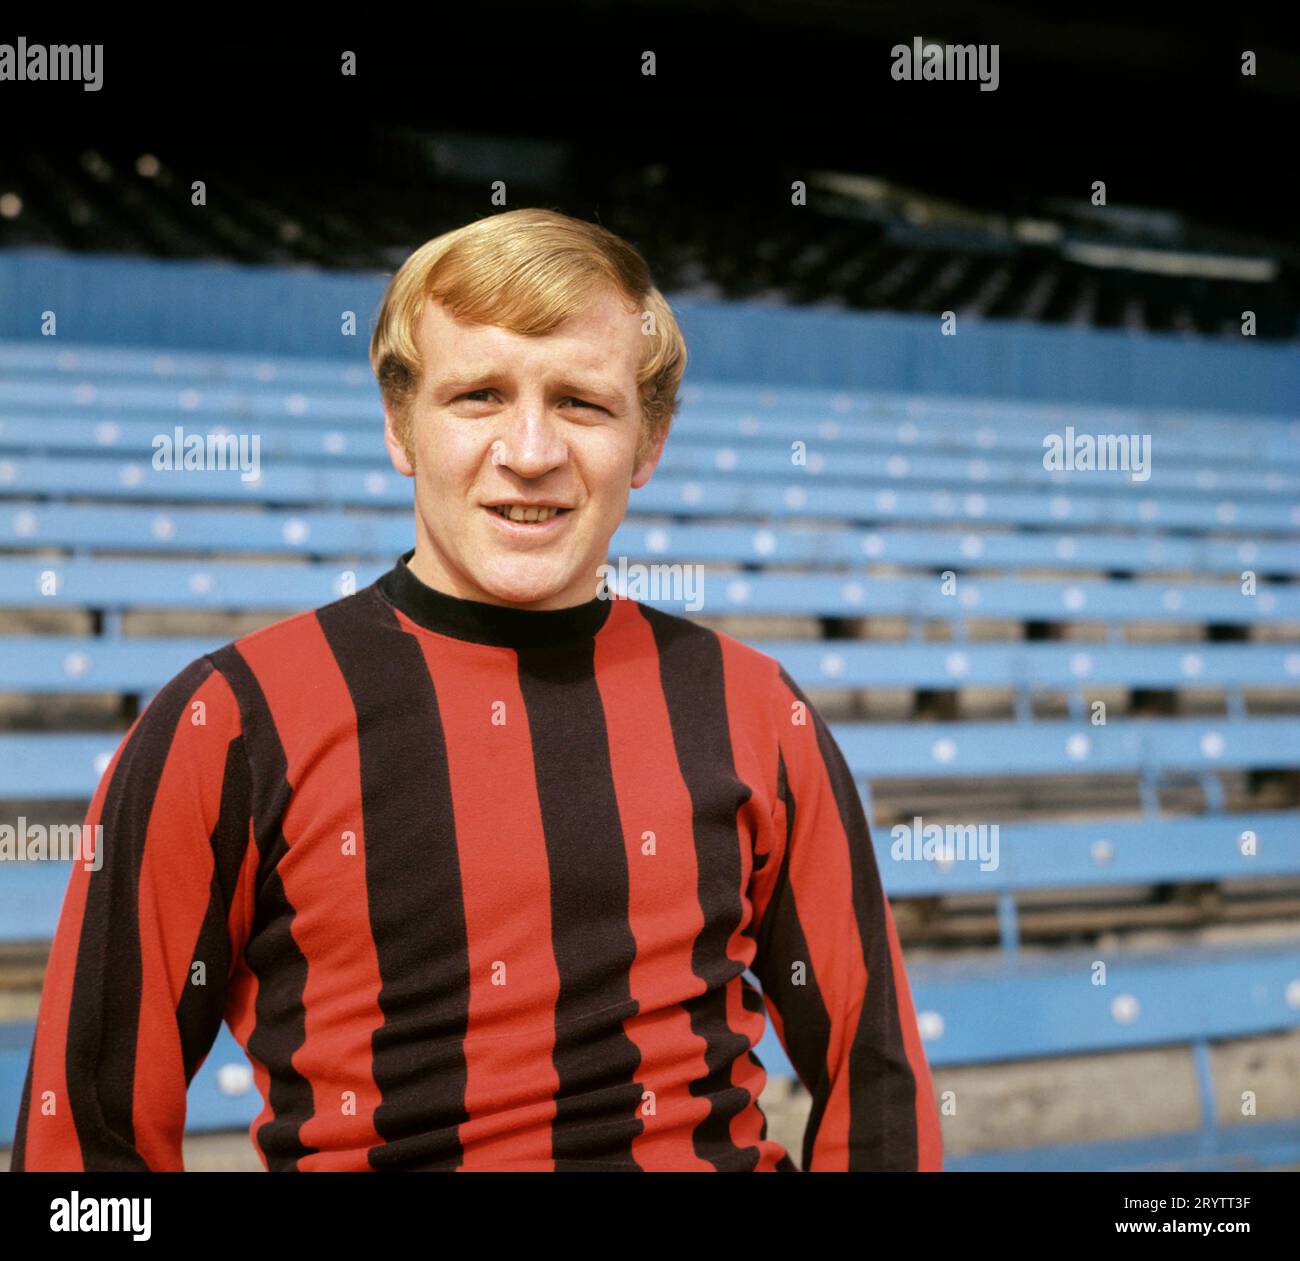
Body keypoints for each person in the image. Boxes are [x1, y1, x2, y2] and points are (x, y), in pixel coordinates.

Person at [10, 207, 942, 1172]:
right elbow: (81, 1140)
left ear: (649, 442)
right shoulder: (230, 720)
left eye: (582, 402)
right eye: (479, 397)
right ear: (400, 425)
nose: (531, 451)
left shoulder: (757, 709)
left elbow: (879, 1086)